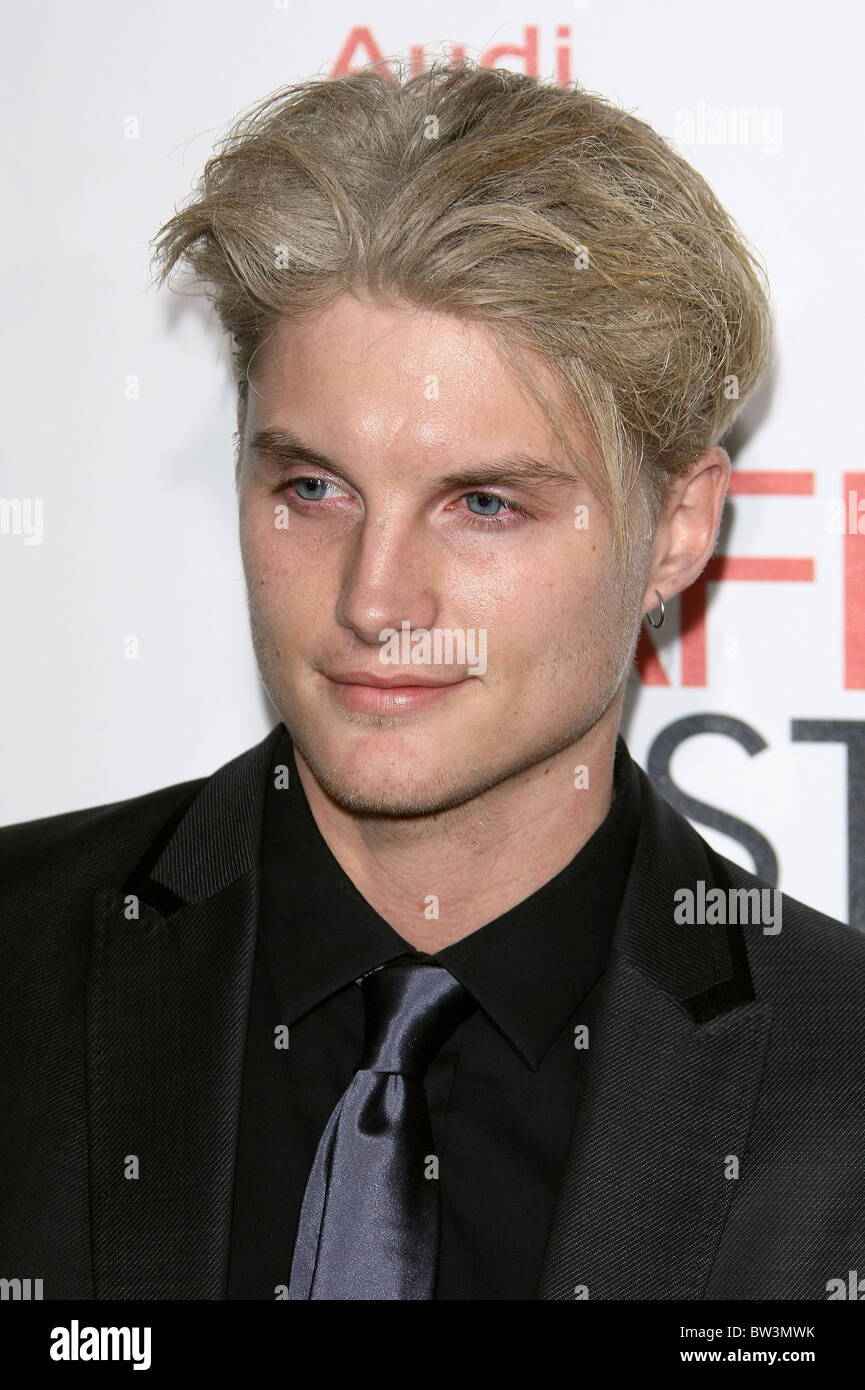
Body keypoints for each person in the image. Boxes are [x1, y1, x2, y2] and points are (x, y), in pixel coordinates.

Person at [2, 59, 863, 1303]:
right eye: (313, 488)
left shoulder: (842, 1093)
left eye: (481, 503)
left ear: (676, 526)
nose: (372, 600)